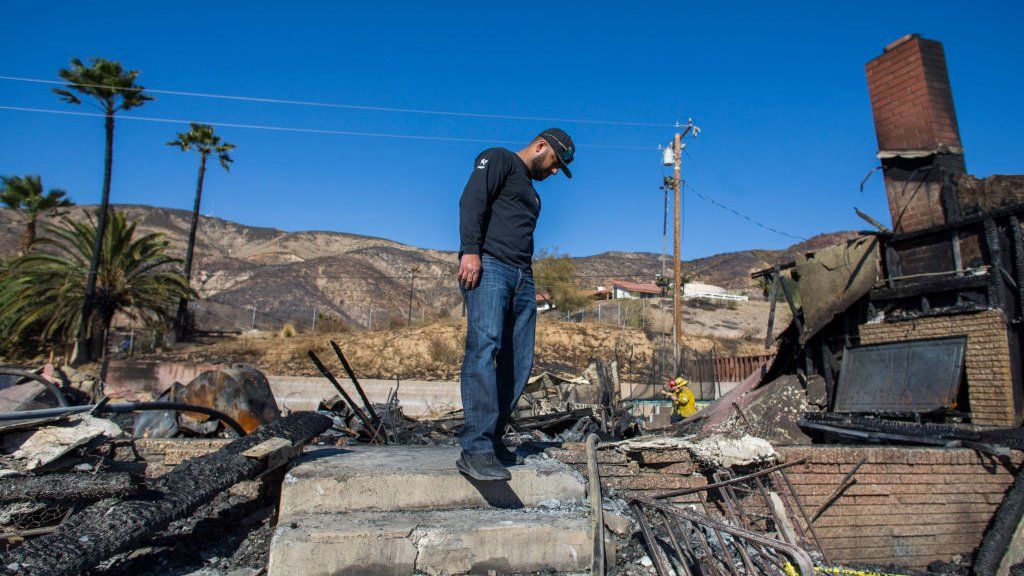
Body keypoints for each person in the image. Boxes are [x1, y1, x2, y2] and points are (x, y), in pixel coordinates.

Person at [455, 128, 575, 481]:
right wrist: (470, 251)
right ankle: (475, 449)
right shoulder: (499, 159)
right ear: (541, 146)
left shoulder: (533, 194)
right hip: (490, 266)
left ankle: (493, 440)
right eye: (555, 162)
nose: (554, 170)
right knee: (485, 347)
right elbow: (472, 200)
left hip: (522, 276)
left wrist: (527, 281)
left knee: (519, 360)